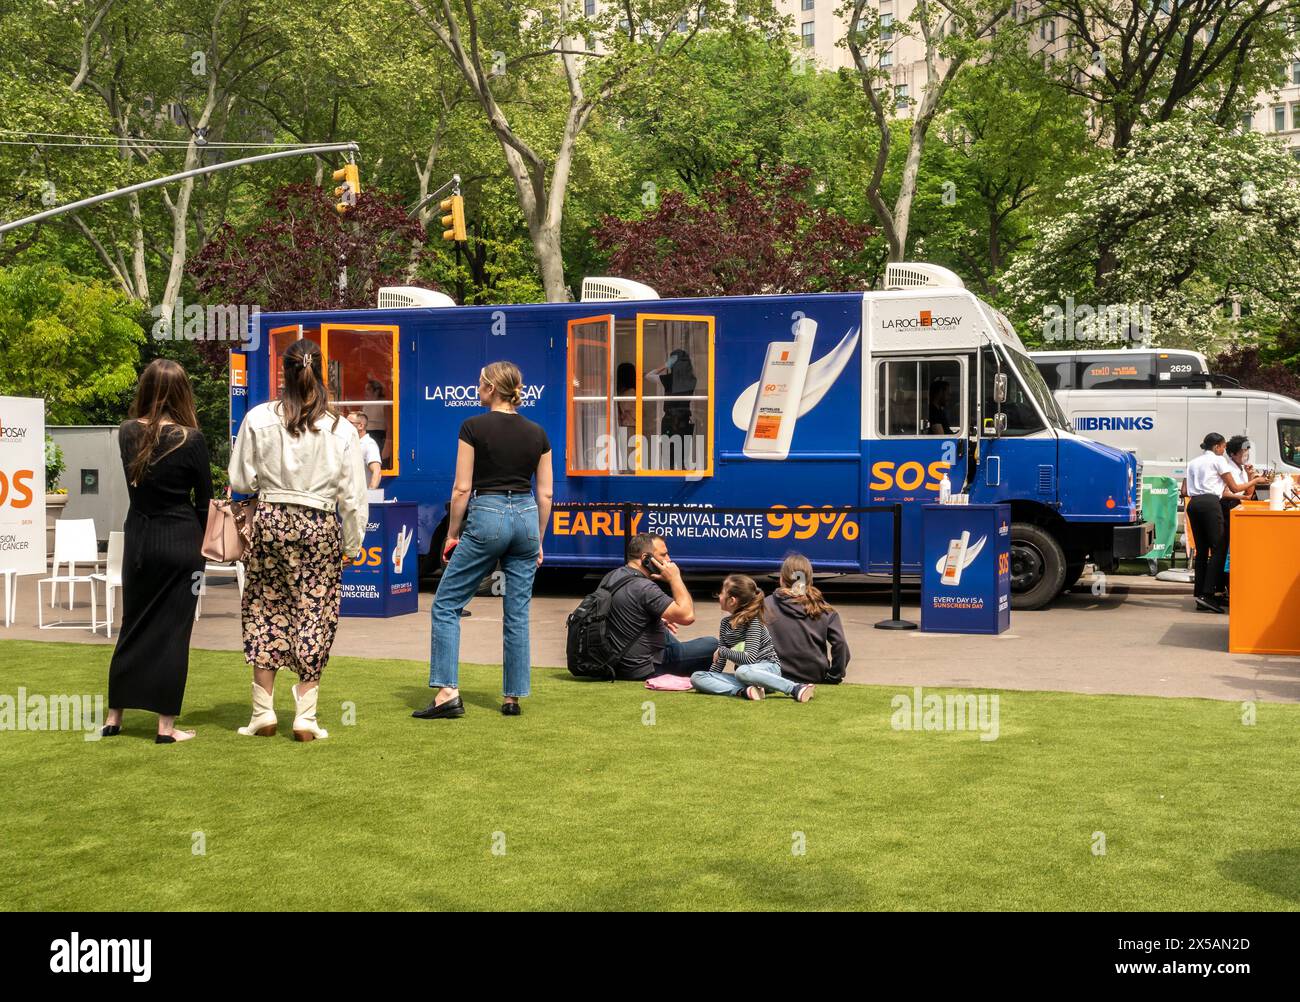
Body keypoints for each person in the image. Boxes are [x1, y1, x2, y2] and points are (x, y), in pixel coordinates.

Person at [229, 339, 369, 741]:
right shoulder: (343, 430)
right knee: (315, 613)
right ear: (320, 371)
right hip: (320, 526)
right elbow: (354, 499)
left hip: (272, 522)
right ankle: (305, 715)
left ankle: (263, 712)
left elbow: (240, 480)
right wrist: (351, 545)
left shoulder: (257, 418)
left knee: (264, 610)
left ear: (283, 373)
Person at [414, 361, 553, 719]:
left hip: (487, 513)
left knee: (446, 604)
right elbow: (547, 494)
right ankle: (512, 698)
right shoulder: (538, 432)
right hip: (525, 517)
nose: (476, 389)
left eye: (480, 384)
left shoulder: (472, 427)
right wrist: (538, 538)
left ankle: (447, 692)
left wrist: (451, 533)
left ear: (492, 389)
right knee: (517, 614)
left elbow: (462, 488)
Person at [102, 360, 212, 744]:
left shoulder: (126, 432)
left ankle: (114, 716)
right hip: (183, 543)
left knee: (132, 623)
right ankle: (165, 727)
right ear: (183, 392)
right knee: (174, 632)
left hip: (140, 539)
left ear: (146, 389)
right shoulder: (192, 438)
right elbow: (205, 501)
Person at [600, 533, 712, 681]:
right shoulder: (644, 587)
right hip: (643, 666)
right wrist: (675, 578)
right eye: (663, 555)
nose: (669, 560)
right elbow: (687, 616)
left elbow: (626, 610)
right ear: (646, 558)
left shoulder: (611, 576)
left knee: (662, 627)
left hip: (613, 660)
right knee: (712, 645)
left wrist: (658, 618)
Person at [690, 574, 815, 702]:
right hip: (746, 678)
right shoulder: (725, 624)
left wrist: (722, 651)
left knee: (742, 671)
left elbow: (749, 658)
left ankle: (795, 688)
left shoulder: (753, 622)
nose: (719, 596)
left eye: (721, 593)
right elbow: (719, 661)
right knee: (697, 676)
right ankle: (744, 692)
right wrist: (711, 678)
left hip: (767, 669)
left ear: (732, 600)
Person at [1182, 432, 1248, 614]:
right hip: (1211, 504)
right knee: (1219, 548)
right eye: (1224, 447)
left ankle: (1200, 594)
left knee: (1202, 551)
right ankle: (1209, 594)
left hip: (1194, 504)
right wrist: (1256, 480)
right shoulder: (1219, 461)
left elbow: (1184, 490)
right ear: (1217, 446)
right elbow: (1234, 487)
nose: (1224, 450)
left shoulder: (1193, 462)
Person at [764, 553, 851, 685]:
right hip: (814, 676)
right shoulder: (824, 609)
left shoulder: (764, 606)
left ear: (782, 579)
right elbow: (841, 645)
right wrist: (835, 676)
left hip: (773, 674)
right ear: (809, 580)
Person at [348, 411, 383, 489]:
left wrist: (370, 496)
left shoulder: (369, 445)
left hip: (360, 499)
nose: (345, 426)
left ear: (360, 426)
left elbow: (377, 472)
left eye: (349, 423)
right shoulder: (350, 443)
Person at [362, 378, 390, 465]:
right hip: (366, 436)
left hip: (380, 438)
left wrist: (387, 447)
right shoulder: (365, 405)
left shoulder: (385, 405)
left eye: (368, 389)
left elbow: (390, 427)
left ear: (376, 391)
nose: (365, 392)